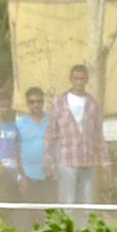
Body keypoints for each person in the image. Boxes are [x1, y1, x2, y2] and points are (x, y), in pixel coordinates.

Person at [45, 64, 111, 207]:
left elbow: (99, 134)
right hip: (67, 159)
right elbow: (51, 132)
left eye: (82, 79)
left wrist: (106, 162)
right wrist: (49, 158)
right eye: (76, 79)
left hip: (88, 160)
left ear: (87, 80)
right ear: (71, 80)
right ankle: (68, 229)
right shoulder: (59, 101)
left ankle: (83, 229)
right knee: (67, 203)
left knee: (86, 203)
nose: (79, 82)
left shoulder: (93, 104)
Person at [14, 86, 49, 195]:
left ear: (43, 102)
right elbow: (16, 153)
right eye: (32, 102)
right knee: (31, 211)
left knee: (52, 211)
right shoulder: (20, 124)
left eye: (39, 101)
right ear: (27, 104)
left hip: (50, 176)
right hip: (29, 177)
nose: (36, 105)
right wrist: (22, 176)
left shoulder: (53, 122)